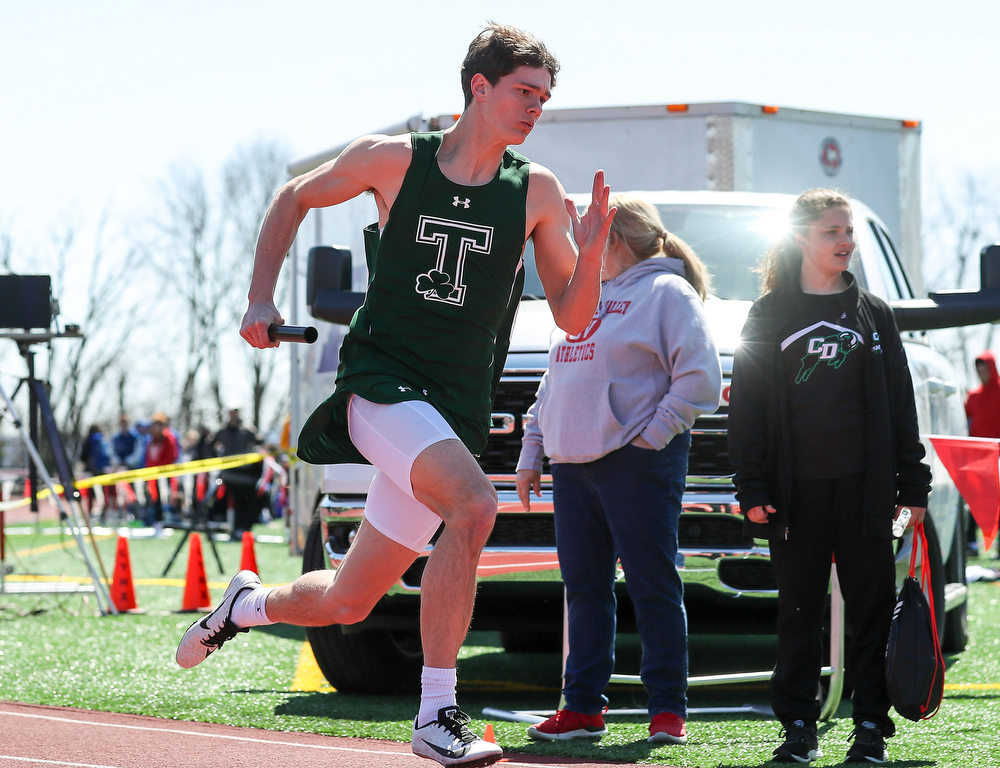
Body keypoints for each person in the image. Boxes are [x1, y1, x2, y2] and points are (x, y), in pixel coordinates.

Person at [175, 23, 616, 768]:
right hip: (382, 385)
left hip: (452, 410)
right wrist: (258, 299)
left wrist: (595, 247)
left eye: (545, 97)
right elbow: (292, 197)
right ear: (479, 86)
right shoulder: (393, 161)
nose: (536, 107)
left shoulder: (536, 190)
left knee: (349, 602)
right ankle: (436, 713)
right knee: (475, 507)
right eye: (524, 91)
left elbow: (574, 317)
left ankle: (244, 606)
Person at [727, 188, 932, 764]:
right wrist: (754, 490)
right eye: (831, 232)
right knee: (797, 616)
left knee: (870, 615)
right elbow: (746, 412)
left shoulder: (874, 313)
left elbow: (900, 405)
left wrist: (912, 488)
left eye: (848, 231)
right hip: (796, 499)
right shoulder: (768, 314)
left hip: (866, 495)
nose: (845, 241)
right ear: (800, 238)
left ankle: (869, 727)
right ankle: (798, 728)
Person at [515, 196, 721, 745]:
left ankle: (667, 712)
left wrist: (650, 439)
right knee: (584, 589)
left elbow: (701, 378)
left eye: (589, 232)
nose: (579, 242)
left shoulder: (667, 292)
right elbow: (553, 382)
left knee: (654, 586)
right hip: (574, 466)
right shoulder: (589, 295)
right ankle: (582, 709)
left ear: (617, 238)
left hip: (636, 463)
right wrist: (533, 450)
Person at [964, 350, 1000, 556]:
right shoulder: (974, 396)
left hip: (999, 456)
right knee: (974, 501)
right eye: (978, 370)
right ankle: (972, 544)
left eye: (985, 369)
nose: (981, 373)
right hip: (979, 458)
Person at [212, 409, 263, 539]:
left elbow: (260, 441)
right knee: (233, 504)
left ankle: (243, 528)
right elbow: (209, 445)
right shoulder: (222, 431)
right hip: (229, 474)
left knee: (248, 502)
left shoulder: (246, 430)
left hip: (246, 474)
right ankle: (235, 529)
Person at [143, 413, 179, 536]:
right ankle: (157, 522)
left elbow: (172, 456)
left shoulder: (169, 438)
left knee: (166, 497)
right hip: (153, 475)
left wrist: (161, 468)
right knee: (155, 499)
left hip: (165, 474)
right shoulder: (152, 439)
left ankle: (168, 521)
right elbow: (148, 456)